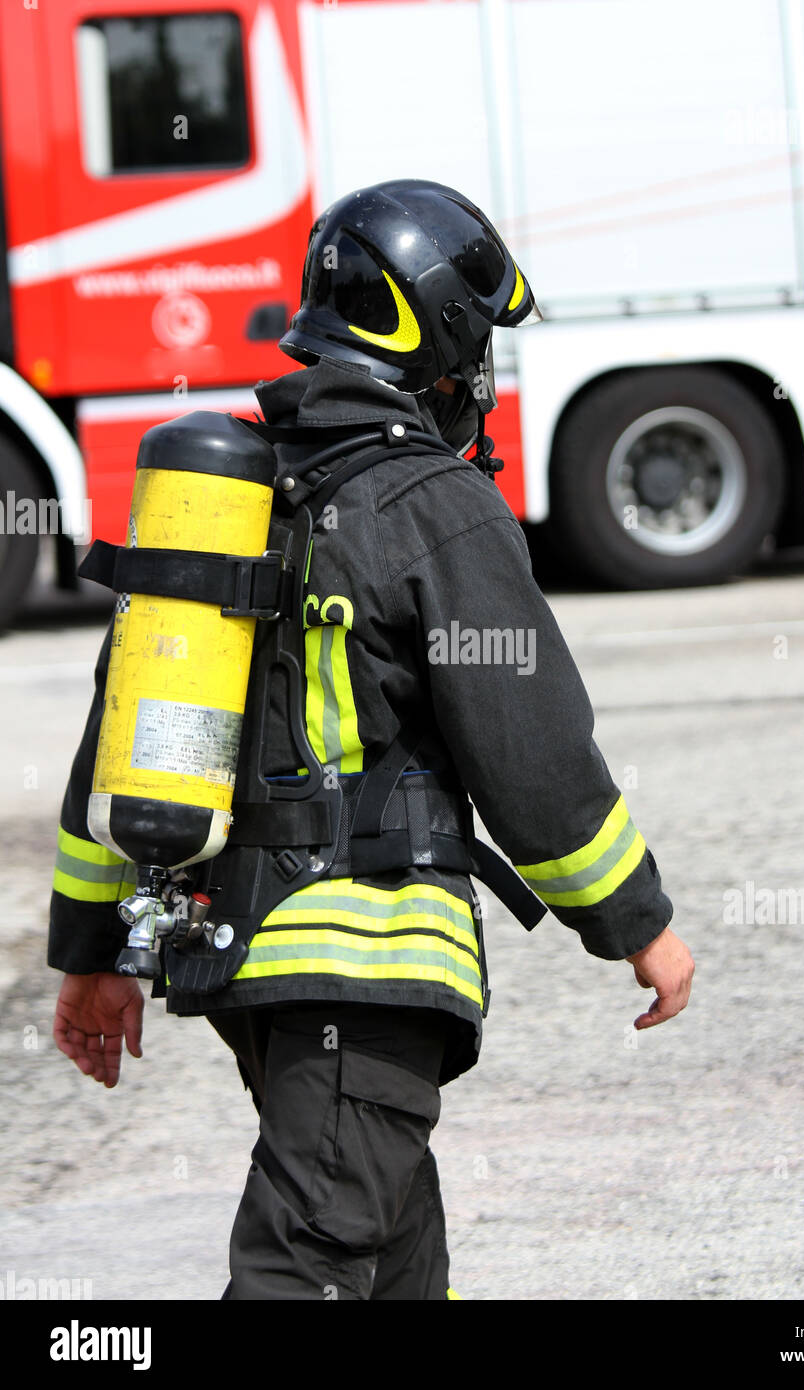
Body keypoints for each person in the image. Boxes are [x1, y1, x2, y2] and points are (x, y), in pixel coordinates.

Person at [49, 179, 695, 1301]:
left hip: (246, 957)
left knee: (395, 1264)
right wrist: (637, 925)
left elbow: (124, 728)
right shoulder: (434, 503)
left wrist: (92, 953)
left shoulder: (235, 493)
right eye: (476, 341)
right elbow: (531, 750)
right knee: (302, 1270)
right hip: (371, 965)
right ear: (438, 333)